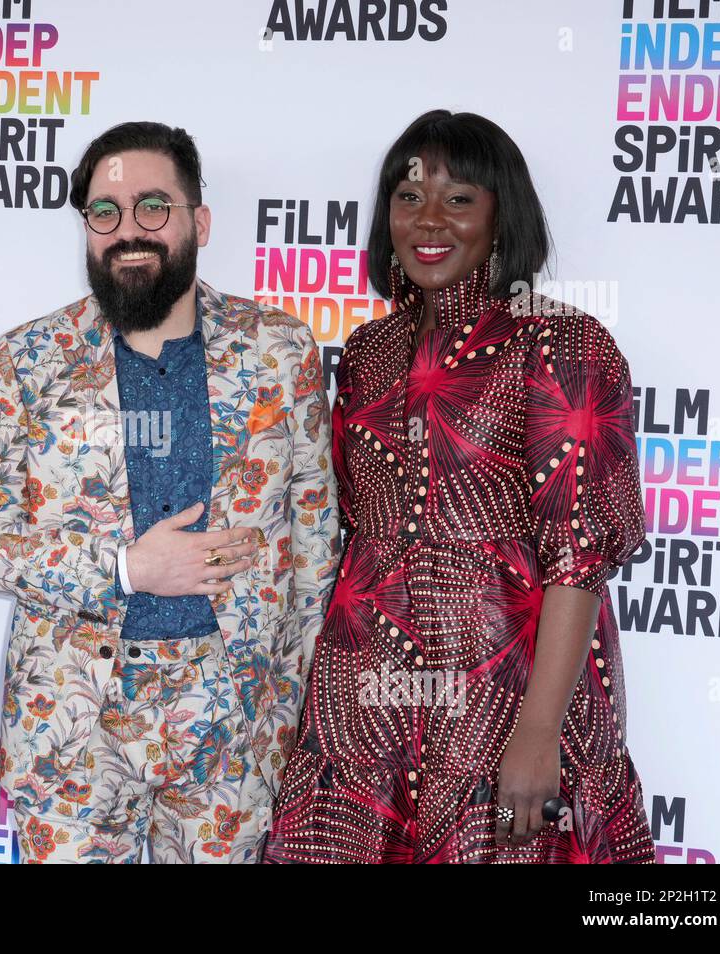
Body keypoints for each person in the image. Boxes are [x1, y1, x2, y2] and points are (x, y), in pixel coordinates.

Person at [265, 109, 654, 864]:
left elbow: (579, 558)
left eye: (459, 198)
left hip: (504, 698)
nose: (428, 220)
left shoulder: (563, 342)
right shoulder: (367, 351)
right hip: (364, 698)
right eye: (408, 199)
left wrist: (539, 733)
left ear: (503, 210)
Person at [0, 121, 336, 863]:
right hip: (75, 727)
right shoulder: (29, 360)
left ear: (200, 220)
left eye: (154, 207)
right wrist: (125, 569)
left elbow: (315, 549)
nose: (130, 231)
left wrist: (283, 711)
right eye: (106, 212)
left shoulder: (280, 351)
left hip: (232, 726)